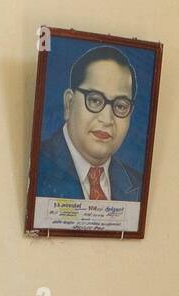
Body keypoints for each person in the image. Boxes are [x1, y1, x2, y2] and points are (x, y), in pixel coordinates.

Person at [36, 46, 144, 202]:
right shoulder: (37, 169)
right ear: (69, 103)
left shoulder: (138, 184)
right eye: (95, 100)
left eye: (120, 106)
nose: (107, 120)